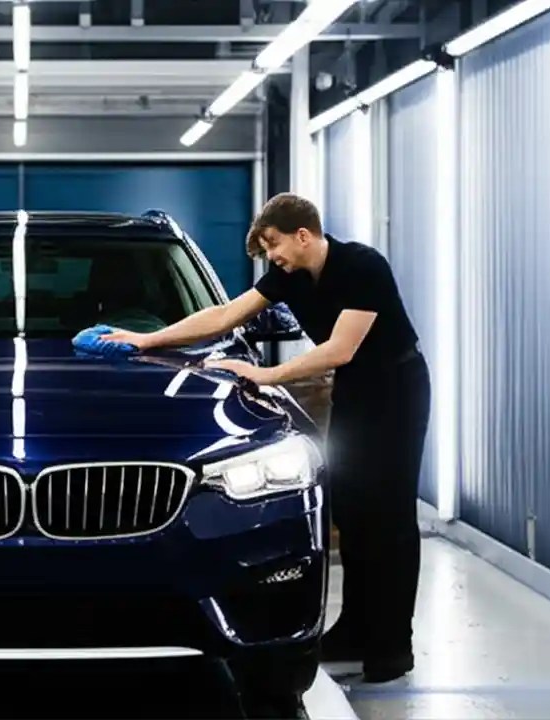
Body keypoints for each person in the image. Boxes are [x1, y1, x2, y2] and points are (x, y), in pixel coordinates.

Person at [102, 192, 430, 684]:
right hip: (358, 393)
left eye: (274, 245)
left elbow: (340, 350)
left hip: (397, 390)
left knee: (390, 517)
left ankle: (392, 645)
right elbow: (223, 316)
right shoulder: (289, 275)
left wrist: (267, 376)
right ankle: (356, 631)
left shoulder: (363, 266)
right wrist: (147, 339)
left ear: (303, 234)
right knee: (354, 510)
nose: (271, 257)